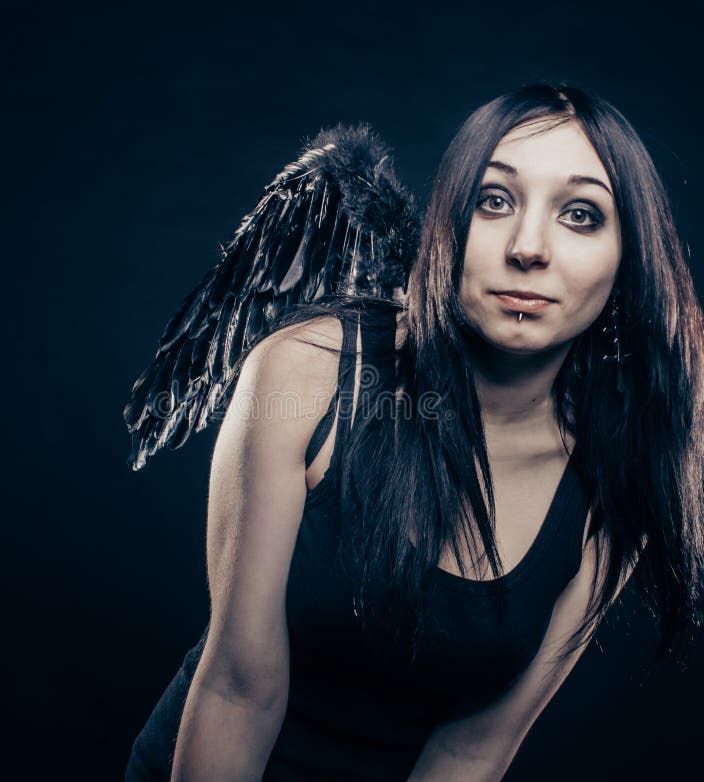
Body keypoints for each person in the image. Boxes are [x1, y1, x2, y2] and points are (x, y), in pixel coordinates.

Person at [124, 83, 704, 781]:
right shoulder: (307, 372)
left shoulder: (616, 483)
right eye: (494, 200)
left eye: (581, 215)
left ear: (626, 260)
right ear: (448, 223)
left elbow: (474, 750)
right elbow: (239, 689)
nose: (528, 247)